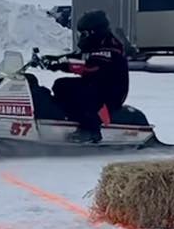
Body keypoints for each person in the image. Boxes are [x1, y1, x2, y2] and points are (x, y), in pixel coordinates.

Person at [50, 9, 129, 143]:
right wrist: (52, 59)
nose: (81, 37)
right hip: (96, 86)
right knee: (61, 85)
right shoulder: (97, 44)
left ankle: (90, 130)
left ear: (94, 32)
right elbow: (77, 56)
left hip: (110, 94)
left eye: (83, 34)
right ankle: (69, 119)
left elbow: (90, 66)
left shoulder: (110, 47)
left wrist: (62, 65)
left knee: (76, 91)